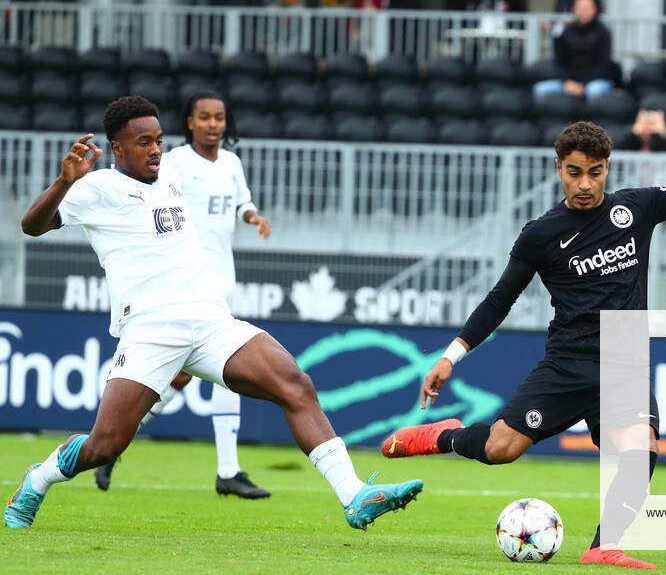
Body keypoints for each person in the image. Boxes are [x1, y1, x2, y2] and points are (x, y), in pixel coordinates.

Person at [381, 112, 666, 570]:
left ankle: (603, 546)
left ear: (607, 168)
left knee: (642, 448)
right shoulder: (541, 234)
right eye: (575, 172)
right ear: (559, 168)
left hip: (624, 368)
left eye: (595, 173)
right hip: (568, 365)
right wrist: (451, 356)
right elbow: (499, 300)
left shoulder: (634, 209)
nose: (584, 184)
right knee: (500, 450)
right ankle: (444, 436)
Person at [5, 96, 422, 530]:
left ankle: (354, 495)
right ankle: (39, 478)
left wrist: (249, 212)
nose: (155, 150)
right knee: (104, 446)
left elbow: (220, 179)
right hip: (150, 329)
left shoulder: (172, 175)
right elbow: (31, 226)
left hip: (209, 320)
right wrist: (63, 182)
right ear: (117, 148)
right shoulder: (95, 189)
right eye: (144, 142)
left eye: (159, 140)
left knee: (295, 384)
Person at [93, 93, 273, 499]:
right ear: (189, 122)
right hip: (184, 282)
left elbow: (241, 201)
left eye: (219, 118)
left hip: (221, 278)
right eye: (204, 117)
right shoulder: (172, 162)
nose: (213, 124)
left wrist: (253, 216)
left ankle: (114, 445)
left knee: (184, 376)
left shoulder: (231, 163)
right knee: (209, 370)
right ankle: (225, 469)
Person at [533, 0, 613, 101]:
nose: (584, 11)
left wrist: (583, 84)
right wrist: (567, 82)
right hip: (567, 82)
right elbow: (559, 62)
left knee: (595, 90)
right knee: (541, 89)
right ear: (573, 9)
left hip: (594, 81)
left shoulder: (603, 33)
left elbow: (603, 64)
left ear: (595, 10)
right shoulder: (565, 33)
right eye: (581, 7)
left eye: (588, 8)